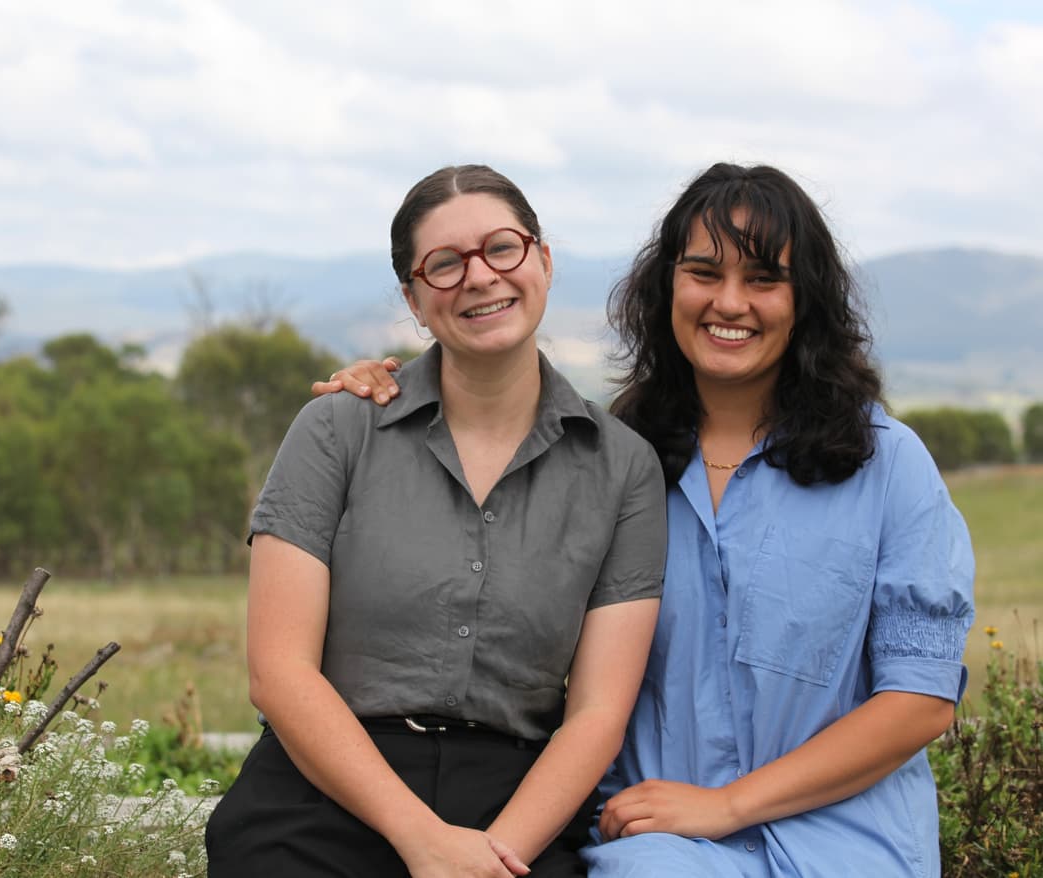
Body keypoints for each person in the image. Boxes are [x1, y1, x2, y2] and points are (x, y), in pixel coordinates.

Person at [317, 162, 975, 877]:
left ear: (805, 298)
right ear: (666, 287)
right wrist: (386, 389)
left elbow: (920, 700)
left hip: (851, 849)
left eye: (763, 279)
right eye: (703, 272)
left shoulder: (888, 466)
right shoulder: (603, 462)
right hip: (658, 852)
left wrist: (730, 805)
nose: (730, 302)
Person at [204, 164, 667, 878]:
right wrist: (421, 839)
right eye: (444, 264)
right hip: (326, 787)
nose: (479, 277)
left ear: (543, 259)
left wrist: (496, 857)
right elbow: (279, 670)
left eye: (502, 249)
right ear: (414, 299)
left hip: (519, 803)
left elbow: (599, 712)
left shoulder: (623, 469)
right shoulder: (336, 432)